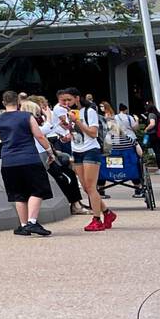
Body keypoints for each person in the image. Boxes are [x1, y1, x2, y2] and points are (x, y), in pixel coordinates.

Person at [0, 91, 54, 237]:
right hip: (29, 158)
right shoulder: (26, 116)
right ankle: (32, 222)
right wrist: (49, 151)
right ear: (19, 102)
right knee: (38, 190)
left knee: (18, 194)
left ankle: (22, 225)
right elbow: (39, 135)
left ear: (3, 102)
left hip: (8, 160)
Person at [61, 88, 113, 232]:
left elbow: (93, 133)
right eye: (64, 100)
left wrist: (76, 120)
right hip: (77, 151)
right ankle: (107, 213)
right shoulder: (71, 113)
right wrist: (67, 129)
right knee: (86, 187)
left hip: (91, 151)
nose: (66, 103)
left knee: (91, 187)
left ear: (77, 98)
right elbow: (76, 133)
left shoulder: (89, 111)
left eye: (69, 100)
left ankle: (97, 219)